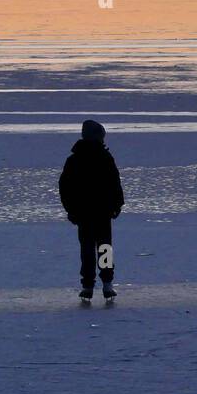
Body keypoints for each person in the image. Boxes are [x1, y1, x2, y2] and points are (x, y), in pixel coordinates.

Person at [58, 119, 124, 301]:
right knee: (103, 247)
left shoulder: (75, 159)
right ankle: (105, 284)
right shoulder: (102, 158)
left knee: (88, 248)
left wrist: (70, 209)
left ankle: (90, 285)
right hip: (98, 211)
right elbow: (114, 183)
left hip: (87, 212)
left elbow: (65, 188)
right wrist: (118, 204)